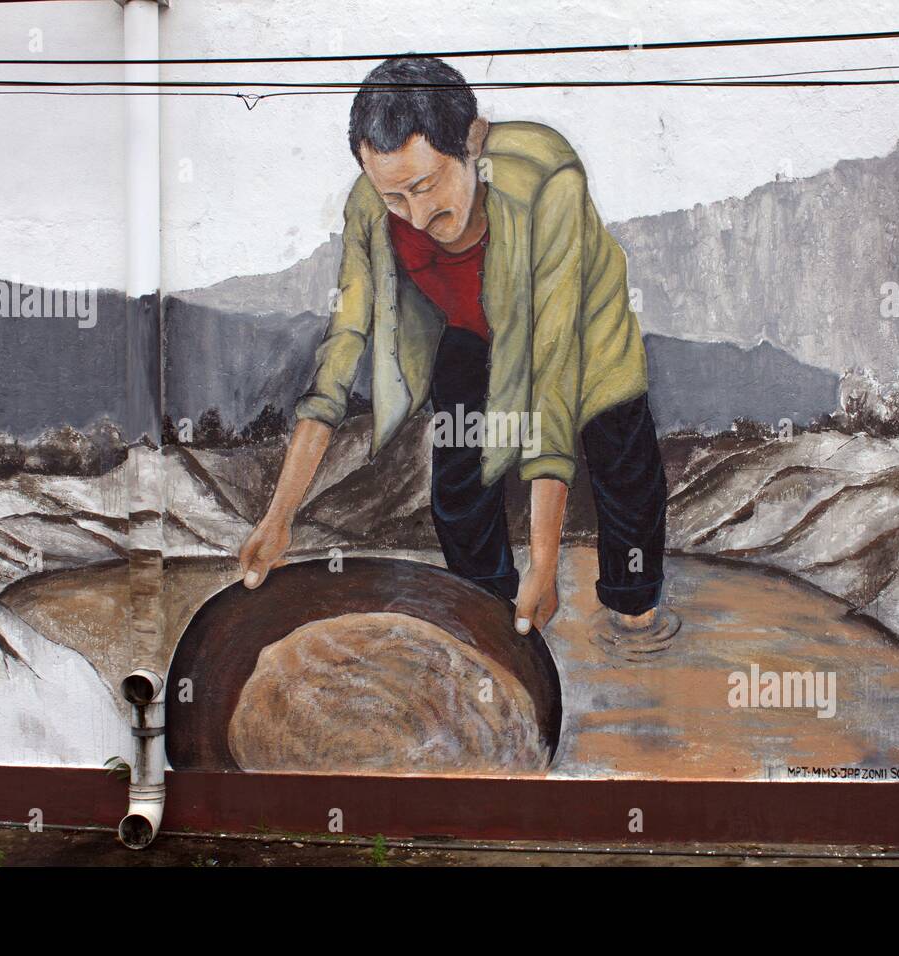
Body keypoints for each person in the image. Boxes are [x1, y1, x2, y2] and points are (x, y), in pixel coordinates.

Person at [239, 55, 667, 637]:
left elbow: (553, 367)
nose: (414, 217)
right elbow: (340, 354)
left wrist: (544, 565)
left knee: (624, 472)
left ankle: (634, 612)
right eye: (394, 197)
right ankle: (488, 611)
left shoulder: (547, 177)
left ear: (472, 141)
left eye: (425, 186)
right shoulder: (371, 206)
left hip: (584, 338)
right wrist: (278, 518)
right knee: (460, 468)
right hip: (471, 329)